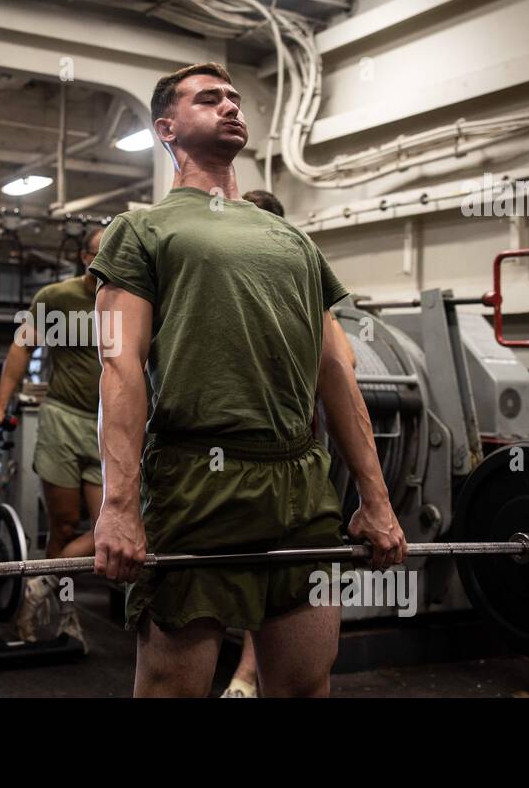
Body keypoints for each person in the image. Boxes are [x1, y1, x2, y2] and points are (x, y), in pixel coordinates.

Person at [89, 62, 406, 697]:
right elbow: (120, 369)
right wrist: (119, 506)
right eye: (209, 99)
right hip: (195, 484)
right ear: (168, 128)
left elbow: (337, 373)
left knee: (302, 687)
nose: (232, 106)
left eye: (235, 97)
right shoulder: (143, 230)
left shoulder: (293, 239)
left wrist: (376, 500)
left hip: (300, 484)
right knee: (171, 691)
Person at [218, 189, 358, 698]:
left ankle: (245, 675)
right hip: (219, 463)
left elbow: (343, 367)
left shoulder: (301, 282)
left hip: (291, 461)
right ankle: (243, 672)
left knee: (278, 578)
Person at [0, 227, 105, 648]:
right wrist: (0, 403)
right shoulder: (57, 297)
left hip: (110, 427)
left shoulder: (134, 300)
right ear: (85, 257)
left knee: (106, 529)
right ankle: (67, 617)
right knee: (64, 526)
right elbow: (21, 347)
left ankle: (36, 585)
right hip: (64, 420)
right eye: (102, 253)